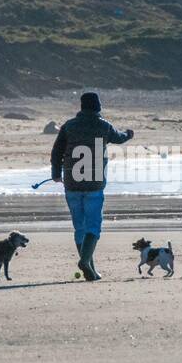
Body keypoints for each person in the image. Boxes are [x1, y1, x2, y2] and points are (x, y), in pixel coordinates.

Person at [50, 92, 133, 281]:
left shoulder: (69, 126)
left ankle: (90, 268)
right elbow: (119, 138)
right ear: (97, 107)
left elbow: (57, 152)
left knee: (80, 227)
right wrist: (129, 134)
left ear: (81, 107)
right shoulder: (103, 125)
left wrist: (55, 173)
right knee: (93, 226)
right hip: (94, 184)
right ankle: (85, 262)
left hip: (72, 183)